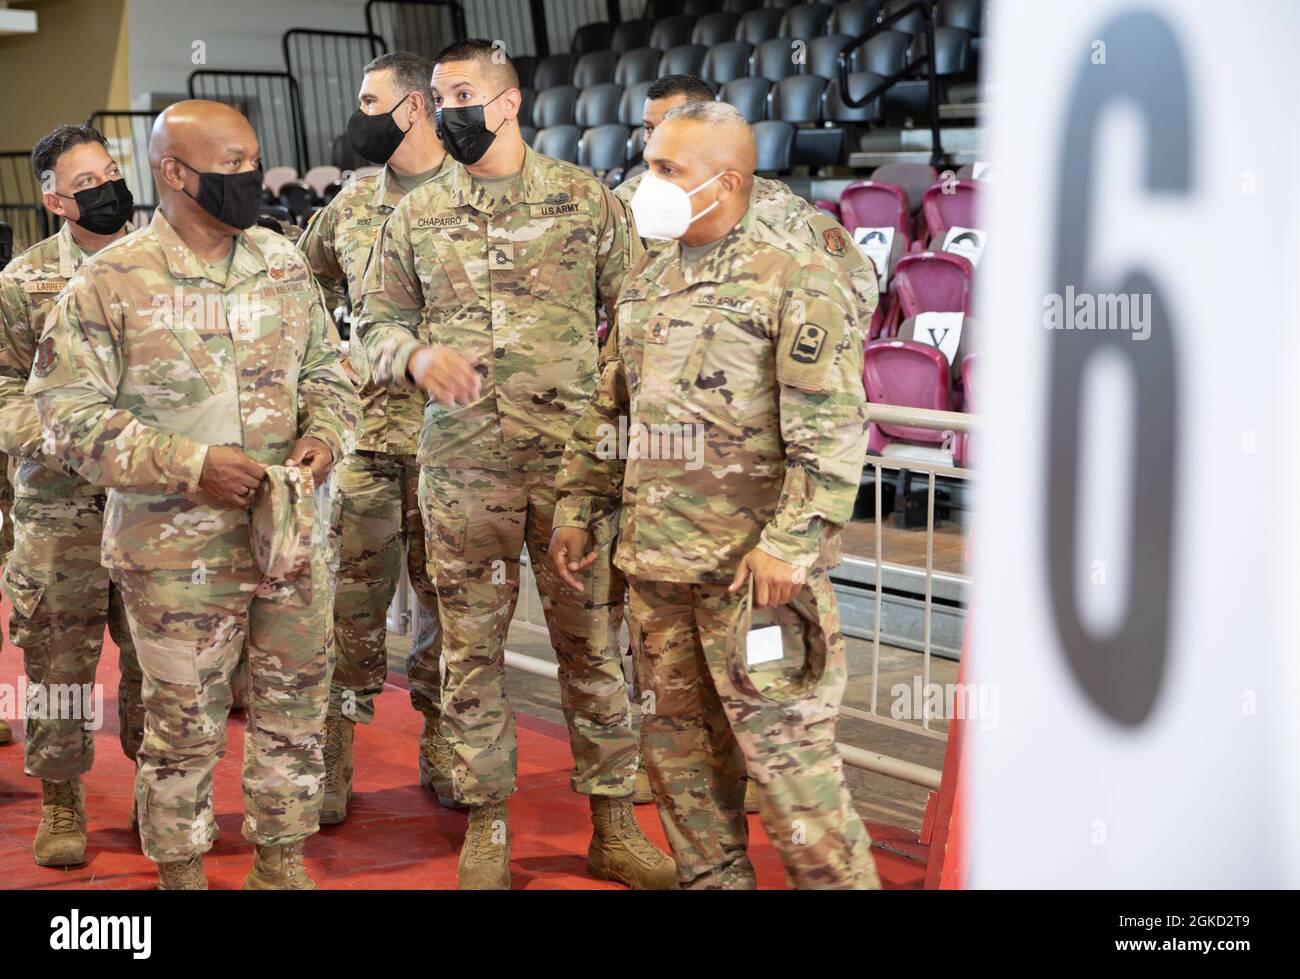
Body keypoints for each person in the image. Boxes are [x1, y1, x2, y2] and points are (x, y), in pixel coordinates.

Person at [355, 38, 675, 890]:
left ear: (508, 102)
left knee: (593, 646)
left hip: (573, 476)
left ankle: (614, 822)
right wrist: (416, 357)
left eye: (462, 92)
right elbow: (371, 324)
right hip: (463, 470)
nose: (447, 108)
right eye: (440, 94)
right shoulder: (415, 217)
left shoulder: (584, 202)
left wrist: (620, 437)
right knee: (469, 651)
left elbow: (639, 318)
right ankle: (487, 824)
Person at [549, 101, 881, 890]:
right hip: (659, 574)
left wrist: (792, 543)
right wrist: (578, 504)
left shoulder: (794, 277)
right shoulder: (647, 282)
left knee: (793, 777)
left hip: (754, 582)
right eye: (648, 163)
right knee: (683, 767)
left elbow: (830, 429)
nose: (646, 183)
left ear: (727, 182)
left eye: (668, 169)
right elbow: (612, 411)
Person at [28, 100, 359, 890]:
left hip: (289, 534)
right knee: (182, 729)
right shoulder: (111, 279)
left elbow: (330, 371)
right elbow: (64, 418)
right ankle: (180, 871)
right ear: (175, 172)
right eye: (234, 164)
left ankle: (281, 864)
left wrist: (326, 434)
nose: (250, 177)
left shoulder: (280, 262)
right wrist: (190, 463)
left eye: (253, 160)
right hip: (175, 552)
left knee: (294, 715)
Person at [298, 50, 451, 825]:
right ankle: (332, 760)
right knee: (346, 613)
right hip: (365, 445)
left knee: (449, 613)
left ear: (415, 107)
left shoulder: (471, 198)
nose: (357, 113)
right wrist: (336, 356)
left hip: (454, 449)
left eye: (370, 99)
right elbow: (305, 279)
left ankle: (447, 748)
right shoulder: (355, 202)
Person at [0, 124, 145, 867]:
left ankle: (162, 784)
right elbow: (2, 388)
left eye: (111, 171)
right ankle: (61, 795)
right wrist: (65, 437)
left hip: (156, 502)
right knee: (58, 658)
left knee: (158, 654)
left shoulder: (169, 264)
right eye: (85, 181)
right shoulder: (23, 283)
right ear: (55, 199)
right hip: (61, 503)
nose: (106, 188)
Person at [617, 74, 879, 335]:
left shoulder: (776, 206)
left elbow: (857, 286)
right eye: (648, 128)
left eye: (666, 128)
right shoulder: (624, 203)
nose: (653, 141)